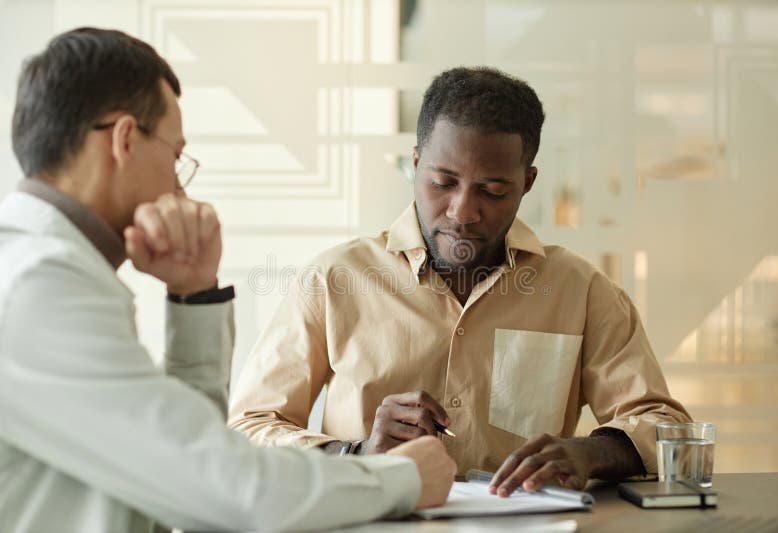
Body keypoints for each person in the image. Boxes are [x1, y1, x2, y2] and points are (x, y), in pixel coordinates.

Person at [0, 27, 455, 533]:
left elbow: (180, 466)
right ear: (126, 139)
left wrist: (196, 295)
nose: (179, 185)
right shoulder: (38, 287)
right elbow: (227, 491)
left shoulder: (43, 271)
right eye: (176, 157)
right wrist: (399, 478)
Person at [229, 66, 692, 496]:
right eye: (442, 182)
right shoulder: (333, 280)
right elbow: (248, 427)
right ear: (414, 164)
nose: (462, 212)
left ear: (527, 183)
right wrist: (356, 455)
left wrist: (590, 453)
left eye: (492, 191)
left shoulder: (582, 290)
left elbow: (664, 425)